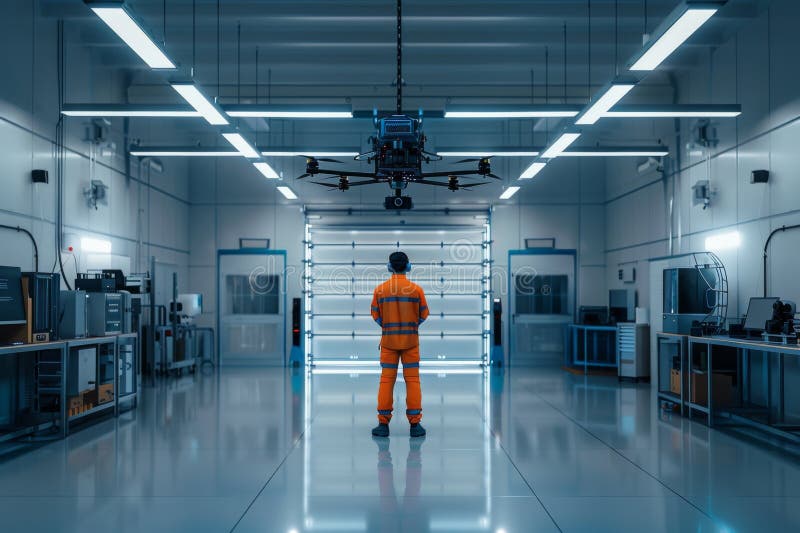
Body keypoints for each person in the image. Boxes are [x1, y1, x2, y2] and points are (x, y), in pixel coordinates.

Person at [370, 251, 429, 438]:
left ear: (389, 267)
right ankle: (415, 425)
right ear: (408, 266)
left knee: (386, 381)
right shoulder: (416, 290)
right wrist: (410, 325)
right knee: (413, 380)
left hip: (388, 343)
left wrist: (388, 327)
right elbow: (424, 314)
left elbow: (375, 315)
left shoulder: (380, 290)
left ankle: (382, 424)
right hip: (411, 343)